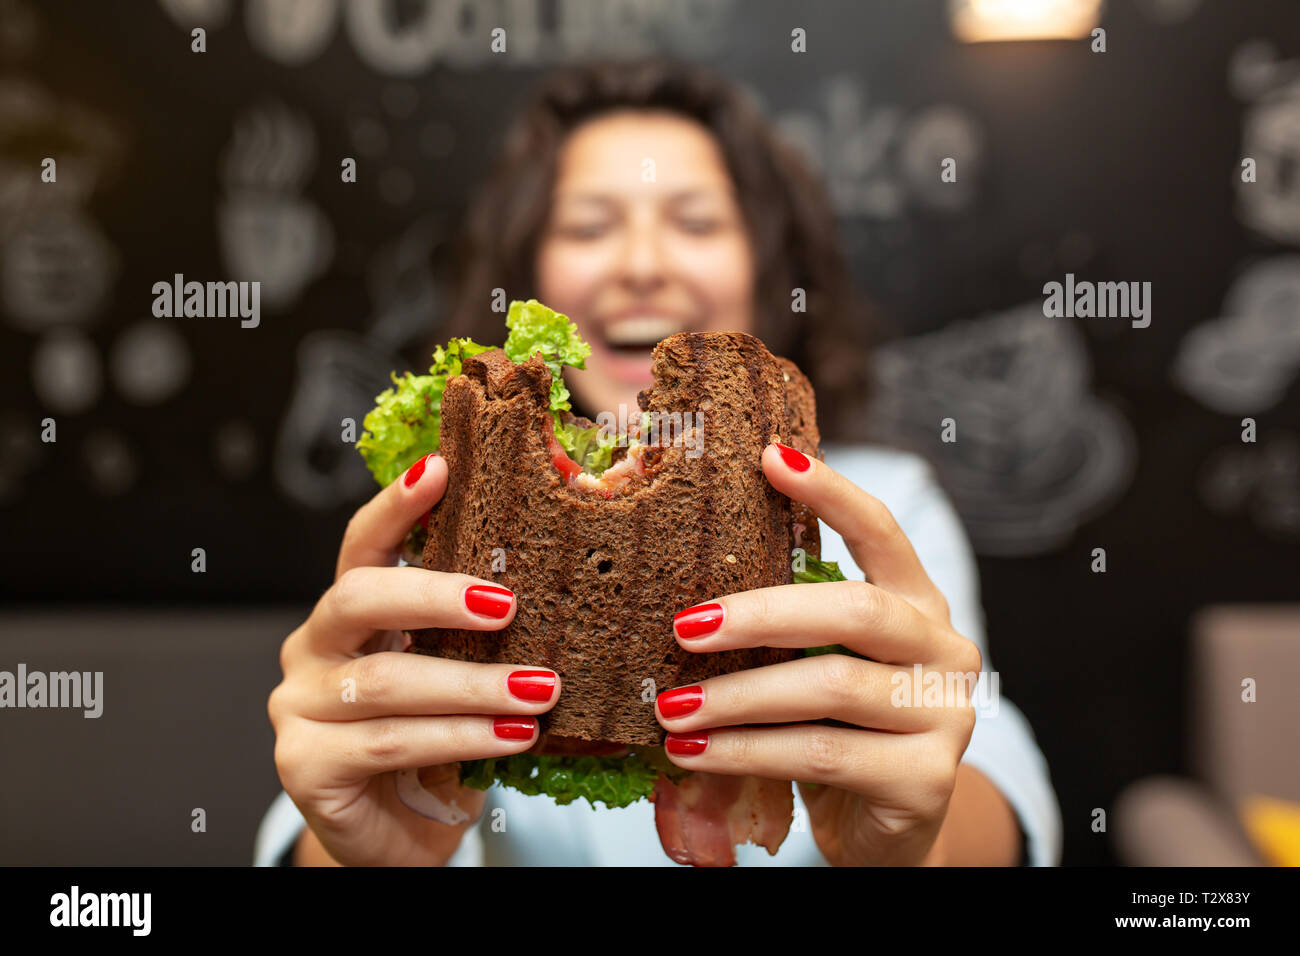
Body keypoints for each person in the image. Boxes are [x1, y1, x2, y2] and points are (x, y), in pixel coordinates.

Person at [258, 60, 1061, 866]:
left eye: (698, 221)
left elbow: (988, 772)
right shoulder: (445, 524)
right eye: (589, 225)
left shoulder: (887, 502)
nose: (643, 264)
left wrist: (916, 842)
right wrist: (375, 847)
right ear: (530, 276)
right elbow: (327, 801)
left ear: (764, 269)